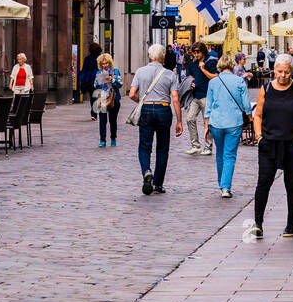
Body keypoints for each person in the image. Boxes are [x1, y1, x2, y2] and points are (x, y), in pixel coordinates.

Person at [250, 54, 293, 239]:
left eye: (286, 72)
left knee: (291, 184)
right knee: (264, 182)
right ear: (274, 70)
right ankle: (258, 223)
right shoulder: (266, 88)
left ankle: (291, 225)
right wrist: (259, 137)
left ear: (292, 72)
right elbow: (258, 115)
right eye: (279, 71)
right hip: (269, 143)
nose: (283, 75)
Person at [128, 43, 183, 195]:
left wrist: (141, 101)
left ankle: (146, 170)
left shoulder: (140, 72)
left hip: (146, 109)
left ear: (149, 56)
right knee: (162, 148)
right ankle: (158, 183)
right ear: (163, 57)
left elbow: (131, 94)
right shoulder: (170, 74)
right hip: (163, 109)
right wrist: (179, 121)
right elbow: (175, 98)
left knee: (144, 146)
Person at [204, 53, 252, 197]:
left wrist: (206, 125)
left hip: (216, 122)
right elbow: (246, 104)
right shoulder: (239, 81)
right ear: (232, 65)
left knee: (220, 153)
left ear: (219, 66)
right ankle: (225, 187)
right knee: (229, 154)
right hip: (234, 122)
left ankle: (222, 184)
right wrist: (250, 118)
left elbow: (208, 105)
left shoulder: (213, 82)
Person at [183, 41, 218, 156]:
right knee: (190, 119)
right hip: (195, 96)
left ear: (203, 51)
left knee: (207, 122)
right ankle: (196, 146)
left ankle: (208, 147)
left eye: (198, 52)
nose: (196, 54)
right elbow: (190, 76)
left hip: (207, 96)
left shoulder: (211, 61)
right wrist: (191, 82)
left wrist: (203, 69)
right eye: (194, 52)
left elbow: (215, 76)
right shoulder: (193, 64)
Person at [93, 53, 122, 147]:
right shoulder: (99, 72)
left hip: (113, 98)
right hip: (102, 98)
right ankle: (102, 140)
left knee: (113, 121)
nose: (105, 65)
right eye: (103, 64)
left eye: (106, 63)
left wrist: (111, 79)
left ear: (110, 63)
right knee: (102, 121)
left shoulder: (115, 71)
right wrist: (99, 82)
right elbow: (96, 85)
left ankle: (113, 138)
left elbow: (120, 84)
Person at [78, 43, 102, 112]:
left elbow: (84, 70)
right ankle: (96, 111)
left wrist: (82, 79)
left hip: (89, 80)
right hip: (98, 80)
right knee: (98, 96)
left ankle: (94, 112)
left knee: (92, 96)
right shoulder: (101, 58)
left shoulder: (87, 58)